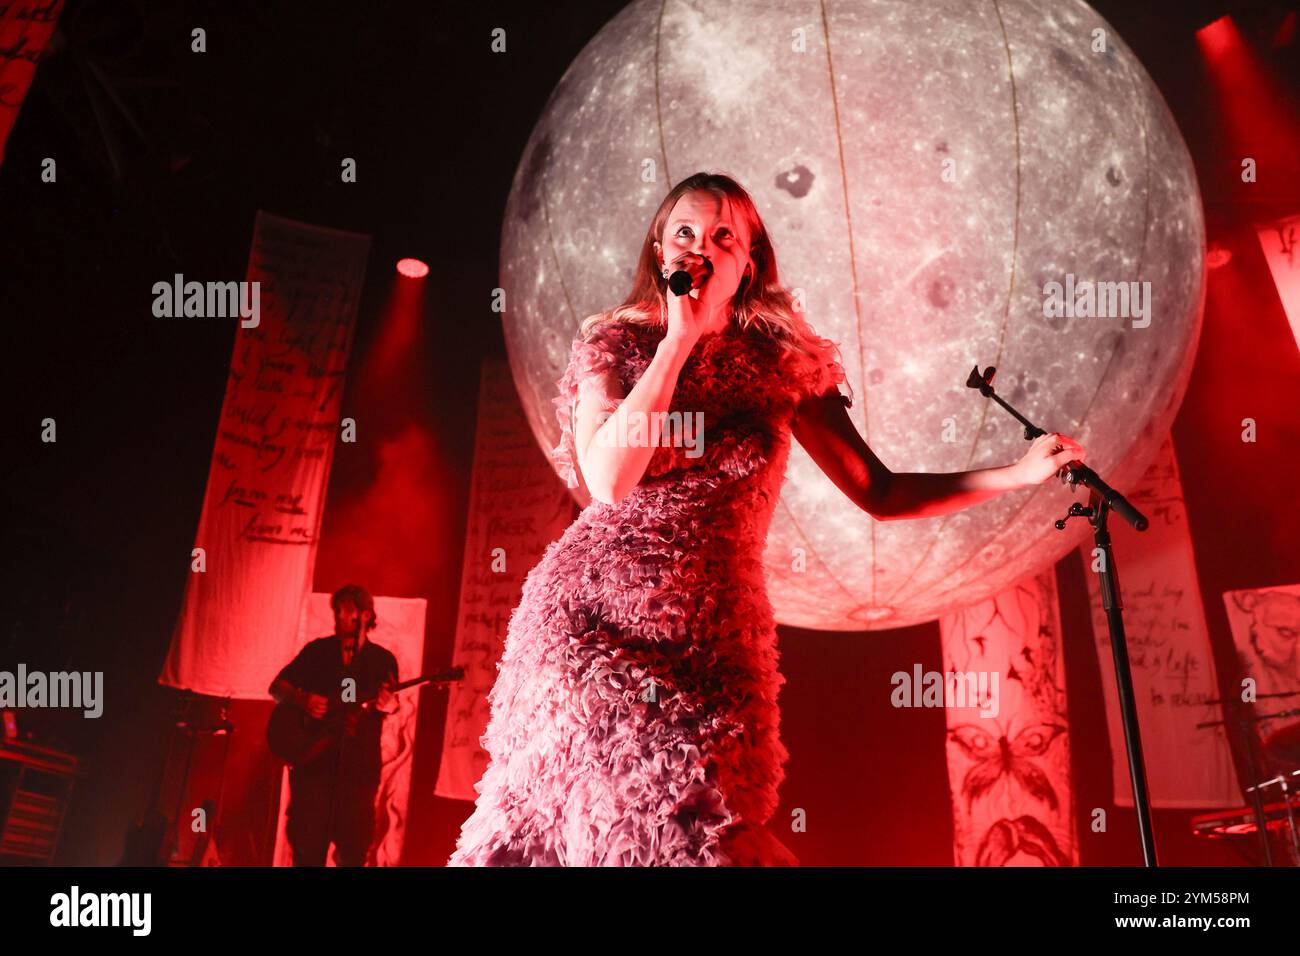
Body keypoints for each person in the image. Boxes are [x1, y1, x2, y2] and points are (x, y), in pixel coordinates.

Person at [448, 172, 1087, 867]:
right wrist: (676, 343)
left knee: (708, 828)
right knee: (635, 829)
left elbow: (880, 489)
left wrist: (1017, 473)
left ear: (749, 261)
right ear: (661, 250)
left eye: (724, 236)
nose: (701, 247)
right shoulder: (615, 342)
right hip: (591, 623)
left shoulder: (783, 363)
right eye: (685, 233)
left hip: (714, 637)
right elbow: (609, 478)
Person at [269, 584, 399, 866]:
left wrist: (388, 704)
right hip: (314, 766)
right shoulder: (317, 651)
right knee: (306, 849)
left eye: (348, 611)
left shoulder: (382, 661)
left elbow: (392, 704)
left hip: (358, 771)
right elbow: (277, 687)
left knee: (353, 851)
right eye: (337, 611)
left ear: (365, 616)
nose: (339, 616)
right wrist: (302, 699)